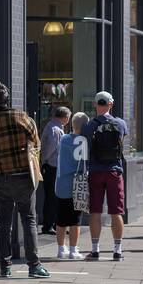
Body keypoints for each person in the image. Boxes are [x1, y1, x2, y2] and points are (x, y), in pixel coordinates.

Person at [0, 82, 49, 279]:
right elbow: (36, 144)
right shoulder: (21, 117)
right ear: (7, 99)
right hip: (23, 177)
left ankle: (5, 266)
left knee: (3, 223)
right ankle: (34, 265)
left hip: (0, 178)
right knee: (28, 220)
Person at [84, 90, 128, 261]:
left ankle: (95, 249)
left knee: (95, 211)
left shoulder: (89, 126)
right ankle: (117, 250)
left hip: (95, 171)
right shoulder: (121, 123)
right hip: (114, 171)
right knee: (116, 211)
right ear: (111, 104)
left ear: (95, 104)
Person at [53, 111, 89, 260]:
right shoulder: (84, 141)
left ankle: (61, 249)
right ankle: (73, 250)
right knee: (75, 220)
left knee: (61, 219)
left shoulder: (64, 139)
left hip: (62, 183)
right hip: (78, 182)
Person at [39, 107, 70, 235]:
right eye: (68, 117)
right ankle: (48, 225)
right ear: (64, 117)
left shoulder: (54, 127)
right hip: (52, 167)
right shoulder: (55, 130)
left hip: (53, 167)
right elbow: (50, 149)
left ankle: (56, 224)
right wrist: (44, 162)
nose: (68, 120)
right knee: (52, 198)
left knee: (55, 197)